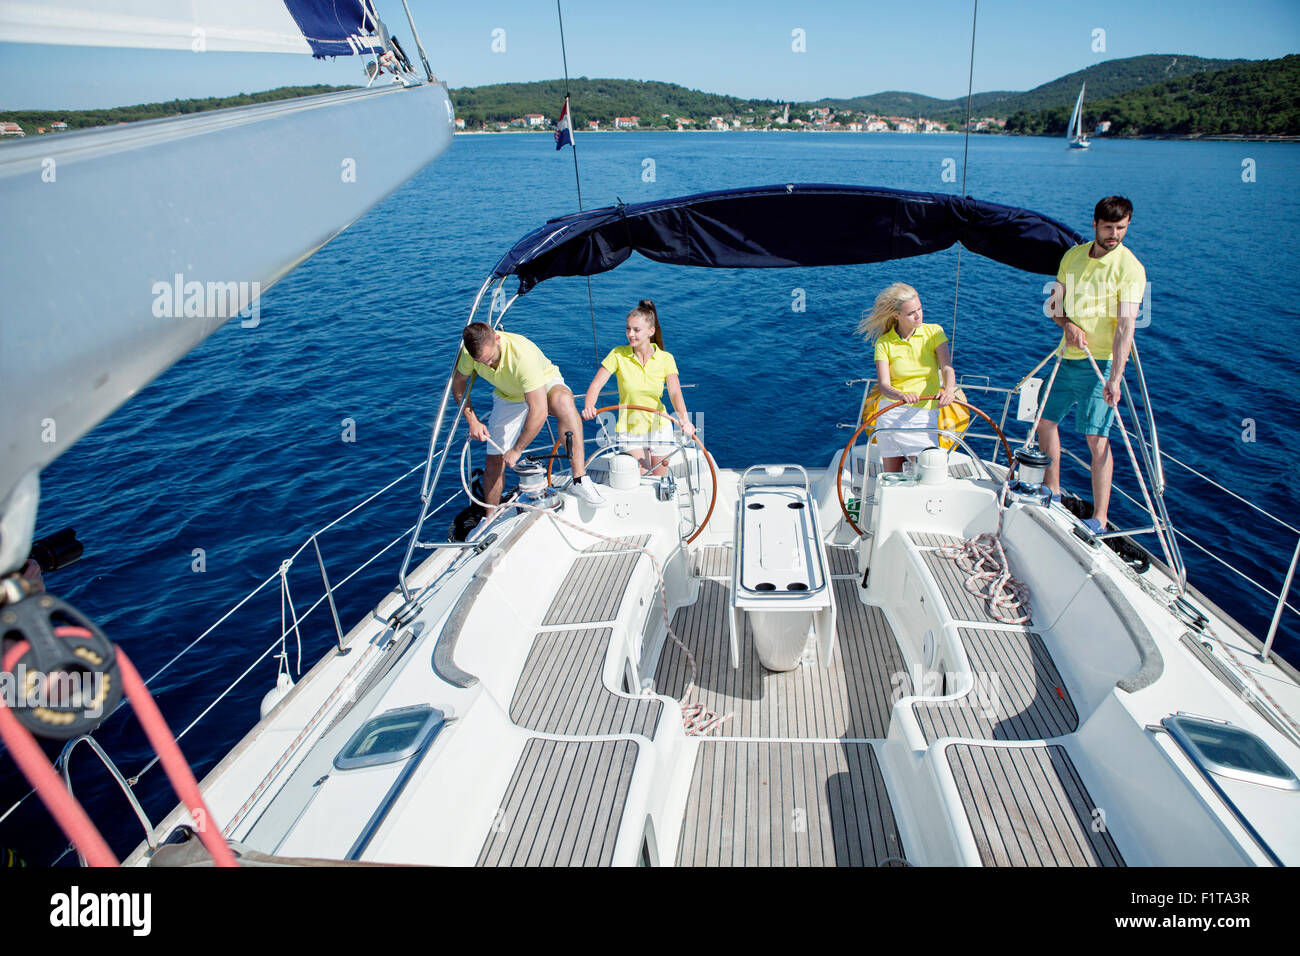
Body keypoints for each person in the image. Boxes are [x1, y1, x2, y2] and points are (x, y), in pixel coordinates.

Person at [1036, 196, 1146, 534]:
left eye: (1121, 228)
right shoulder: (1072, 257)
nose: (1115, 235)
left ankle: (1099, 517)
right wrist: (1067, 324)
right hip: (1067, 358)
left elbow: (1126, 326)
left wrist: (1115, 378)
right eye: (1109, 227)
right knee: (1044, 421)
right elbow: (1054, 307)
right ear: (1095, 224)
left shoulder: (1130, 269)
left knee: (1096, 439)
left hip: (1102, 364)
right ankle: (1051, 490)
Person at [451, 323, 605, 508]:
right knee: (493, 461)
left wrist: (517, 450)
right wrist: (473, 421)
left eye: (490, 359)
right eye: (482, 362)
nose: (488, 365)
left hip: (542, 382)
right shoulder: (469, 354)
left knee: (563, 402)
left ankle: (580, 479)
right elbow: (458, 385)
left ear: (497, 338)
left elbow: (539, 412)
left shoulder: (522, 356)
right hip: (508, 394)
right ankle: (489, 517)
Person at [582, 300, 694, 476]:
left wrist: (684, 420)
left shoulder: (666, 359)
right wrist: (589, 406)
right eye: (628, 329)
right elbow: (596, 384)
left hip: (660, 428)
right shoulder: (618, 354)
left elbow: (674, 392)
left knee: (659, 478)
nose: (630, 334)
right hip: (629, 430)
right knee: (641, 475)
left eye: (636, 330)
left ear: (651, 331)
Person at [858, 283, 957, 472]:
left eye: (919, 309)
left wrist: (949, 389)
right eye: (911, 313)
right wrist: (900, 395)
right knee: (892, 477)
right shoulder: (884, 343)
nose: (918, 315)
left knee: (926, 473)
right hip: (892, 414)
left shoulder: (934, 332)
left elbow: (947, 367)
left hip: (925, 415)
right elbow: (884, 385)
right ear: (896, 315)